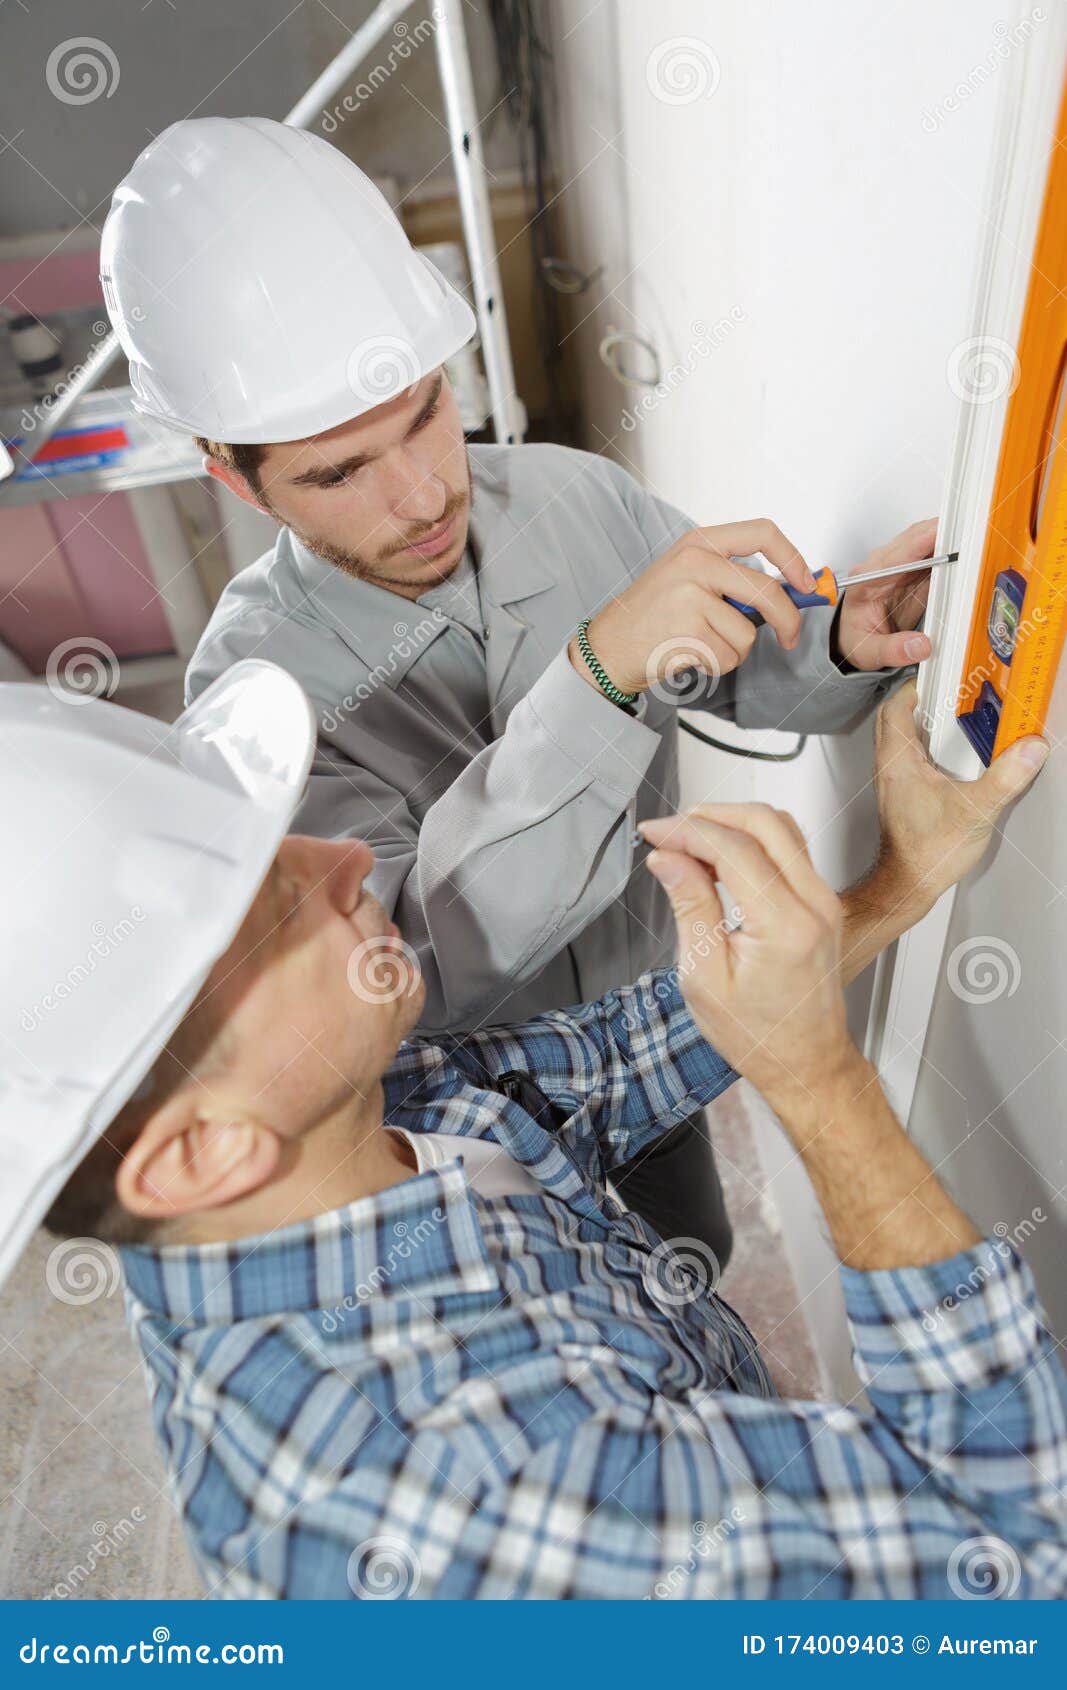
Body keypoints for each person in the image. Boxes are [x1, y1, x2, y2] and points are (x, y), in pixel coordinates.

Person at [6, 661, 1062, 1600]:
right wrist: (820, 1082)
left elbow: (603, 1066)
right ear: (199, 1152)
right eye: (279, 910)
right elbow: (1014, 1556)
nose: (341, 857)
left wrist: (900, 879)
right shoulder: (464, 1491)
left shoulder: (323, 1119)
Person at [101, 115, 941, 1269]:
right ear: (229, 475)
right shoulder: (253, 696)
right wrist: (595, 675)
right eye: (338, 472)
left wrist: (836, 641)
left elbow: (742, 674)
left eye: (426, 413)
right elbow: (411, 963)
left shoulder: (573, 496)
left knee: (688, 1251)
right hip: (461, 1115)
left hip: (659, 1036)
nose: (418, 497)